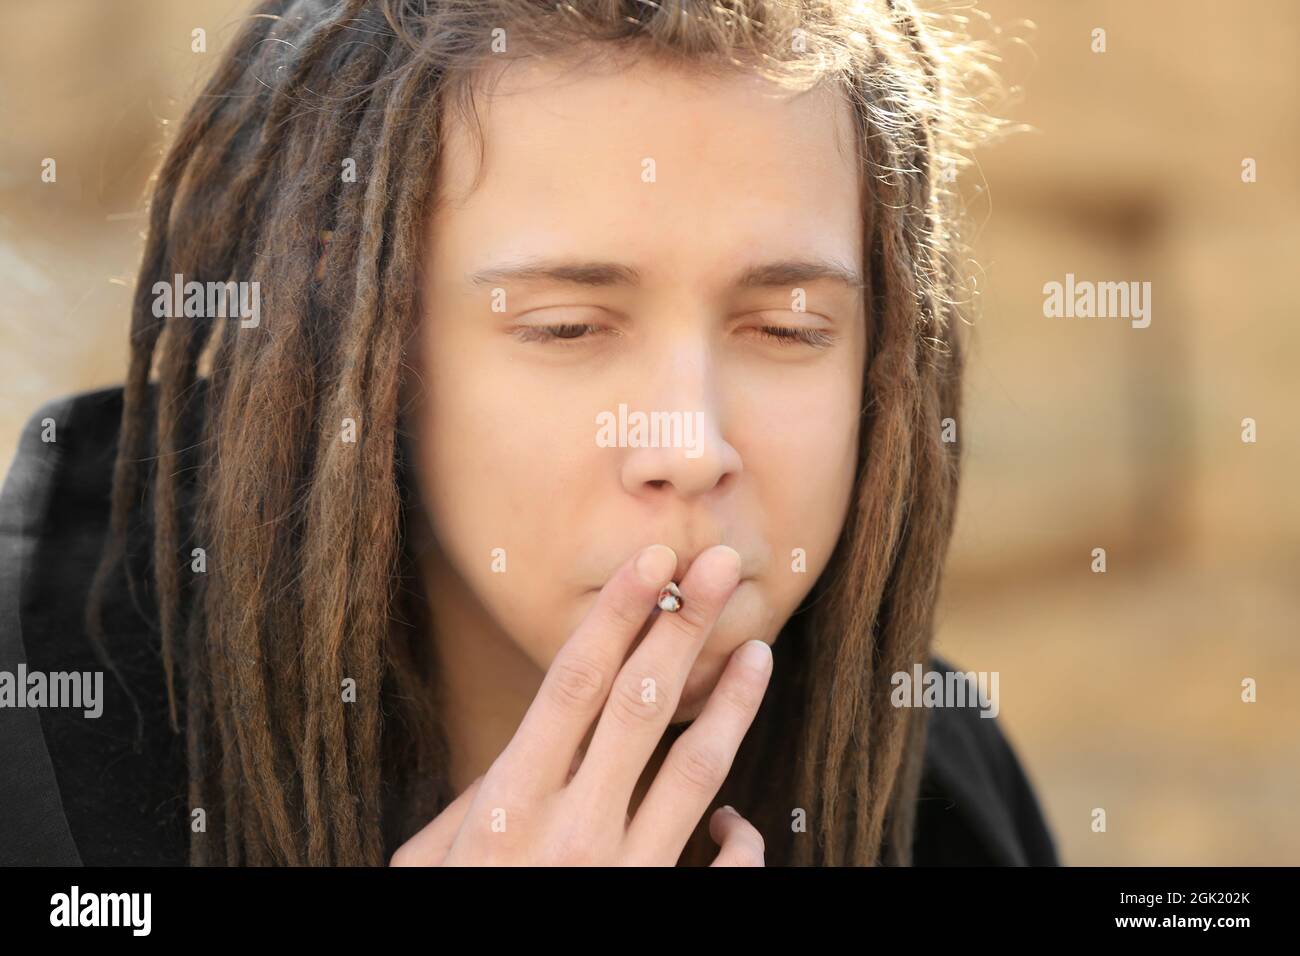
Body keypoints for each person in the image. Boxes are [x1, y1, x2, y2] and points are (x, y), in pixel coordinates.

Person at [0, 0, 1057, 866]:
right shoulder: (43, 736)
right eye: (566, 327)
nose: (688, 442)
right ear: (360, 325)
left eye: (787, 328)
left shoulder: (940, 787)